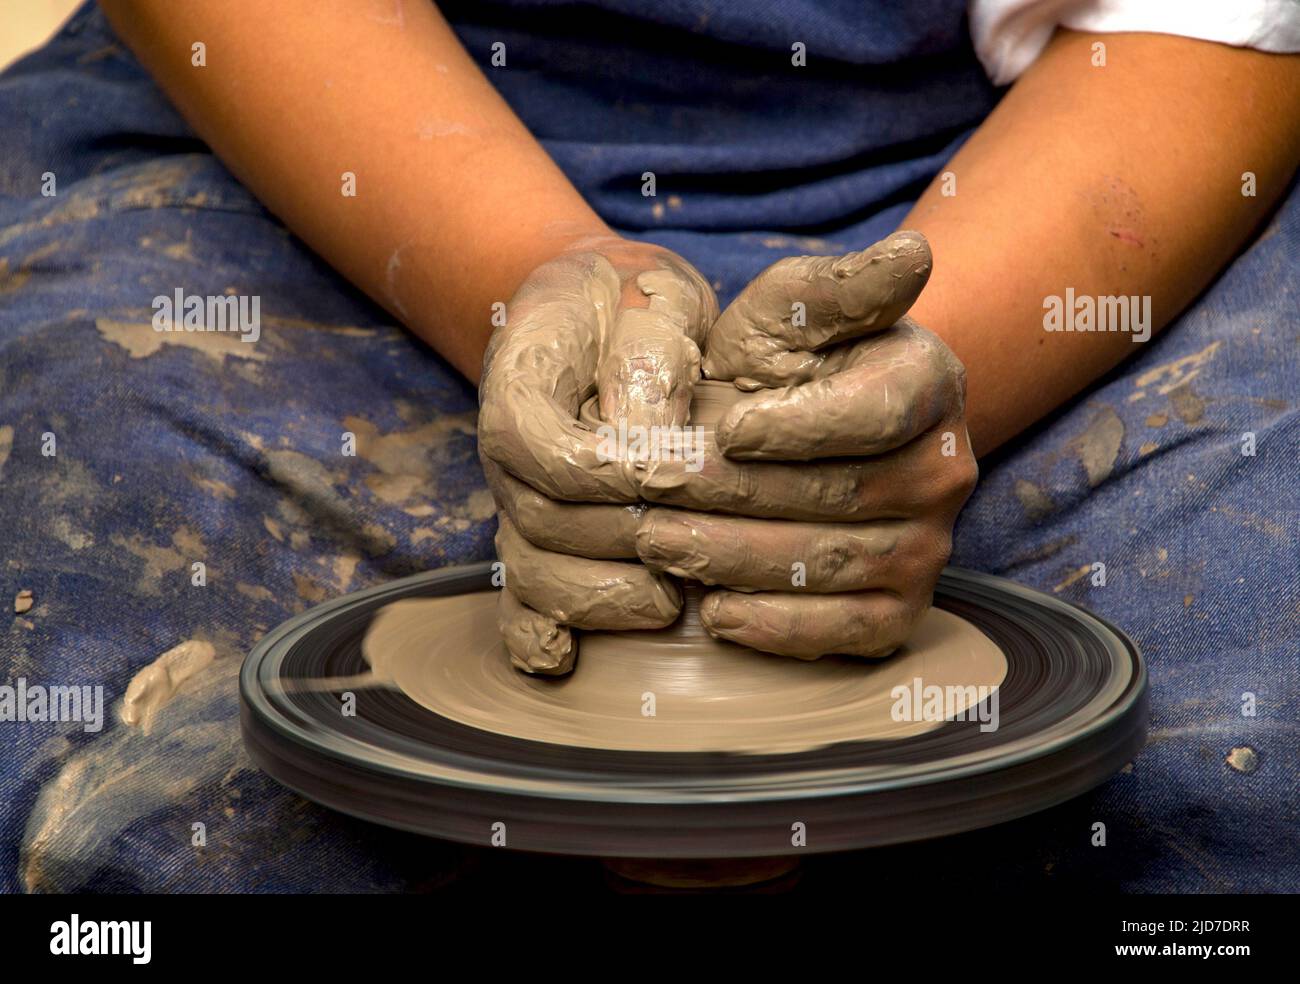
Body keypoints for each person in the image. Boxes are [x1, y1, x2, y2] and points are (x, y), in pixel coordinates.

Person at [1, 0, 1296, 892]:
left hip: (1022, 180)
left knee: (1239, 767)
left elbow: (1209, 28)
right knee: (138, 782)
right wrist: (531, 277)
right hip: (323, 130)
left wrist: (873, 416)